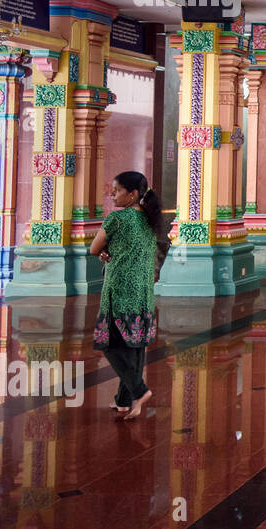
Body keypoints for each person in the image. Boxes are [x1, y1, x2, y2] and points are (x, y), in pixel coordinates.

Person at [88, 171, 162, 420]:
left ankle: (139, 391)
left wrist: (104, 252)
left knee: (109, 343)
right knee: (135, 345)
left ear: (132, 195)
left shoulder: (116, 220)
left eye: (117, 190)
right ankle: (123, 400)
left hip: (119, 290)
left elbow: (94, 248)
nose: (112, 194)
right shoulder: (150, 221)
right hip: (142, 292)